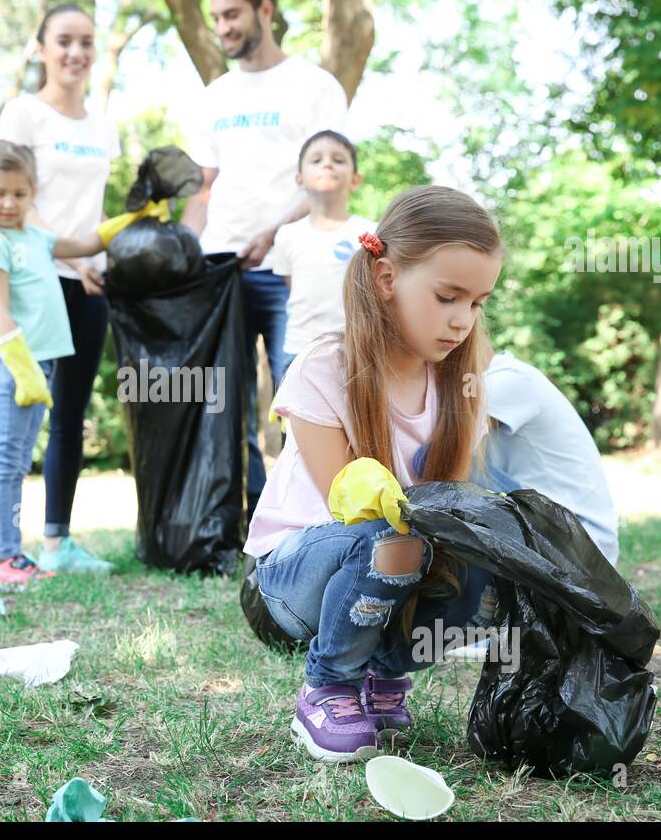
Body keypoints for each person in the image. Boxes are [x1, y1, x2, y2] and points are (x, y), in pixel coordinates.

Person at [245, 186, 503, 763]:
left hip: (394, 571)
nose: (463, 320)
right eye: (447, 297)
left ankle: (383, 674)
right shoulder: (325, 366)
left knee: (492, 559)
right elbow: (346, 505)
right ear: (386, 279)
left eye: (478, 302)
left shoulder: (460, 388)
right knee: (389, 536)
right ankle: (329, 686)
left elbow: (449, 514)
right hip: (294, 583)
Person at [181, 0, 349, 524]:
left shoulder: (315, 87)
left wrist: (274, 231)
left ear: (266, 10)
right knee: (223, 404)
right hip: (222, 272)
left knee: (301, 399)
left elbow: (326, 180)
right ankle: (253, 521)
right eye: (216, 18)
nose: (223, 27)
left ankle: (309, 519)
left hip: (291, 272)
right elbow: (202, 189)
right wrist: (182, 250)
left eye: (232, 14)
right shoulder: (213, 98)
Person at [0, 140, 161, 588]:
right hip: (17, 367)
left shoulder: (35, 237)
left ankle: (12, 554)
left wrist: (133, 218)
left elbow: (87, 242)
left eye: (19, 193)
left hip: (40, 368)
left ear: (33, 194)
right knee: (6, 463)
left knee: (18, 464)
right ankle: (0, 557)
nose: (9, 203)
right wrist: (23, 367)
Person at [0, 4, 120, 575]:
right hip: (35, 283)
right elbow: (10, 199)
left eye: (86, 42)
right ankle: (4, 551)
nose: (76, 52)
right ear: (40, 47)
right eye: (64, 41)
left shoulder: (103, 125)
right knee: (23, 421)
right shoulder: (22, 114)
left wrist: (100, 255)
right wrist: (69, 251)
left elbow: (92, 208)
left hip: (89, 284)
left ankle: (57, 542)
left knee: (71, 415)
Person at [475, 341, 621, 564]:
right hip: (566, 539)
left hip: (578, 547)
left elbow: (433, 452)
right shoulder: (501, 377)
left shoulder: (507, 379)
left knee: (439, 459)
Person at [271, 130, 375, 381]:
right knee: (296, 420)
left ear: (355, 179)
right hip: (299, 350)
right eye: (316, 160)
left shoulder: (372, 232)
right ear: (299, 179)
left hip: (355, 349)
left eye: (338, 160)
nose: (327, 164)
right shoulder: (286, 235)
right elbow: (291, 285)